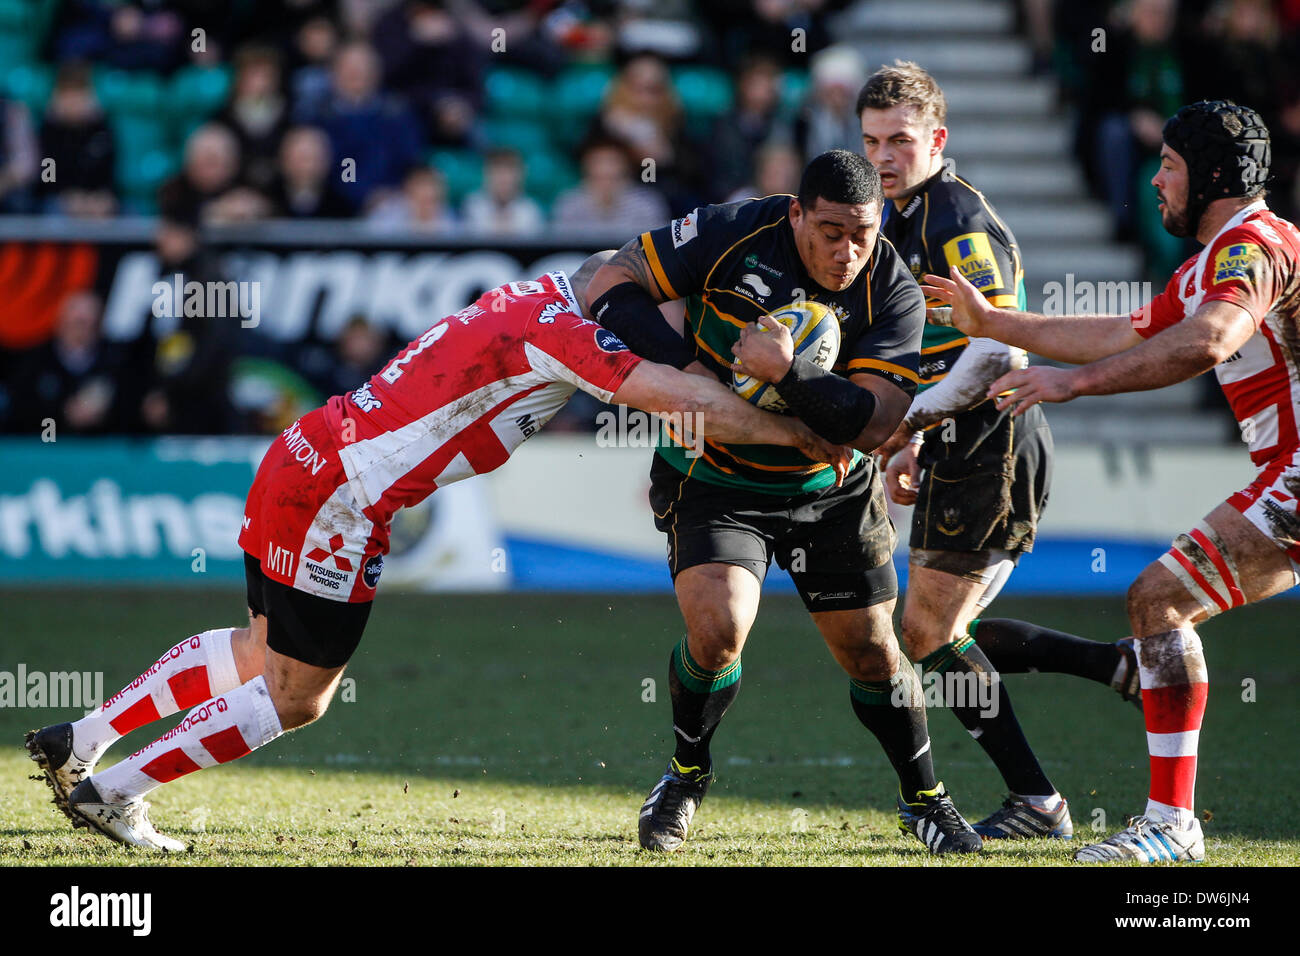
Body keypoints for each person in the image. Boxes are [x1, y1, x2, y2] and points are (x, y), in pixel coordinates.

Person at [25, 253, 849, 852]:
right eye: (676, 317)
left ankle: (84, 739)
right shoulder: (574, 337)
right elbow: (685, 401)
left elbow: (632, 304)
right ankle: (114, 792)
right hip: (342, 503)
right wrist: (805, 434)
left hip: (302, 455)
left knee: (255, 651)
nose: (688, 336)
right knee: (297, 697)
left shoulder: (537, 296)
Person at [922, 99, 1297, 863]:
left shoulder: (1248, 249)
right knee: (1162, 601)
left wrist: (1074, 385)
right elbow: (1125, 331)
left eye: (1169, 165)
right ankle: (1171, 822)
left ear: (1213, 176)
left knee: (1160, 598)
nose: (1155, 181)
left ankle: (1171, 824)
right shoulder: (1216, 259)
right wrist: (995, 324)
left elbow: (1210, 339)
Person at [589, 149, 985, 855]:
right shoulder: (730, 232)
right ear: (796, 211)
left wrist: (788, 373)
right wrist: (689, 378)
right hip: (714, 478)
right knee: (717, 631)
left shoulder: (891, 288)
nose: (848, 250)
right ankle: (685, 774)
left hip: (828, 494)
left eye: (862, 232)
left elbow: (874, 425)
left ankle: (926, 798)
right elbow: (612, 283)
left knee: (871, 653)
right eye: (830, 231)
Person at [860, 61, 1137, 841]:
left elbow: (998, 353)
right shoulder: (900, 216)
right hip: (960, 444)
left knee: (925, 635)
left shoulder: (954, 218)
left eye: (900, 140)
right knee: (938, 633)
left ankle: (1040, 801)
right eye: (872, 140)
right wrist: (912, 442)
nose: (883, 156)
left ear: (937, 139)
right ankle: (1117, 668)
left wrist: (904, 429)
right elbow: (935, 353)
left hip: (995, 446)